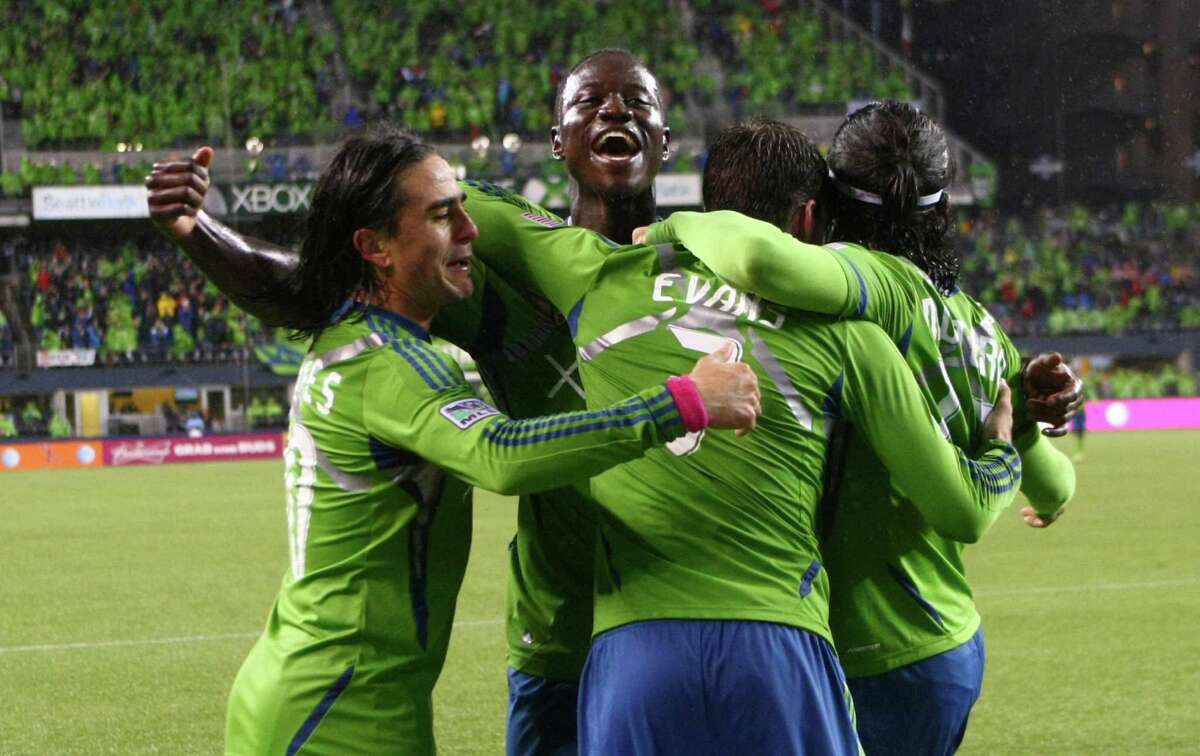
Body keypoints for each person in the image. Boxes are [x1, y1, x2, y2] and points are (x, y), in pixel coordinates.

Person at [150, 127, 759, 754]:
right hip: (340, 711)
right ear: (375, 246)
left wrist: (197, 229)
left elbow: (299, 285)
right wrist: (681, 401)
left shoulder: (353, 335)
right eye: (444, 216)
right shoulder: (393, 366)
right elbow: (502, 455)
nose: (471, 231)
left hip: (333, 692)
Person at [460, 168, 1022, 755]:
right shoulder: (848, 334)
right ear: (809, 223)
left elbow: (466, 203)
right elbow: (966, 507)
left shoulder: (601, 273)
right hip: (781, 645)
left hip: (634, 649)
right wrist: (1002, 444)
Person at [640, 110, 1078, 754]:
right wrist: (1023, 431)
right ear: (942, 205)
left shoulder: (879, 284)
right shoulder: (980, 326)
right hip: (946, 639)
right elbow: (1056, 487)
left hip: (871, 648)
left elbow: (762, 260)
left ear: (829, 205)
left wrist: (671, 223)